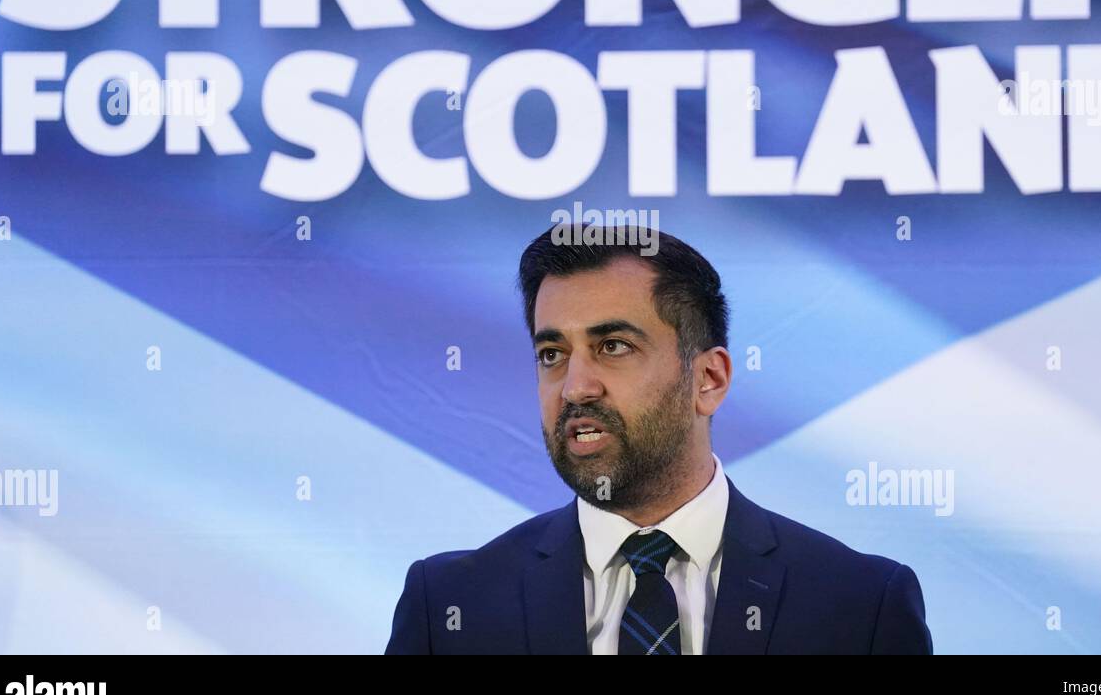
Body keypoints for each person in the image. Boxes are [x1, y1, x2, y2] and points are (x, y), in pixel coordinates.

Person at [385, 225, 932, 654]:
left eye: (614, 346)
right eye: (552, 354)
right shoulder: (453, 607)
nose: (575, 387)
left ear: (708, 379)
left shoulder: (860, 606)